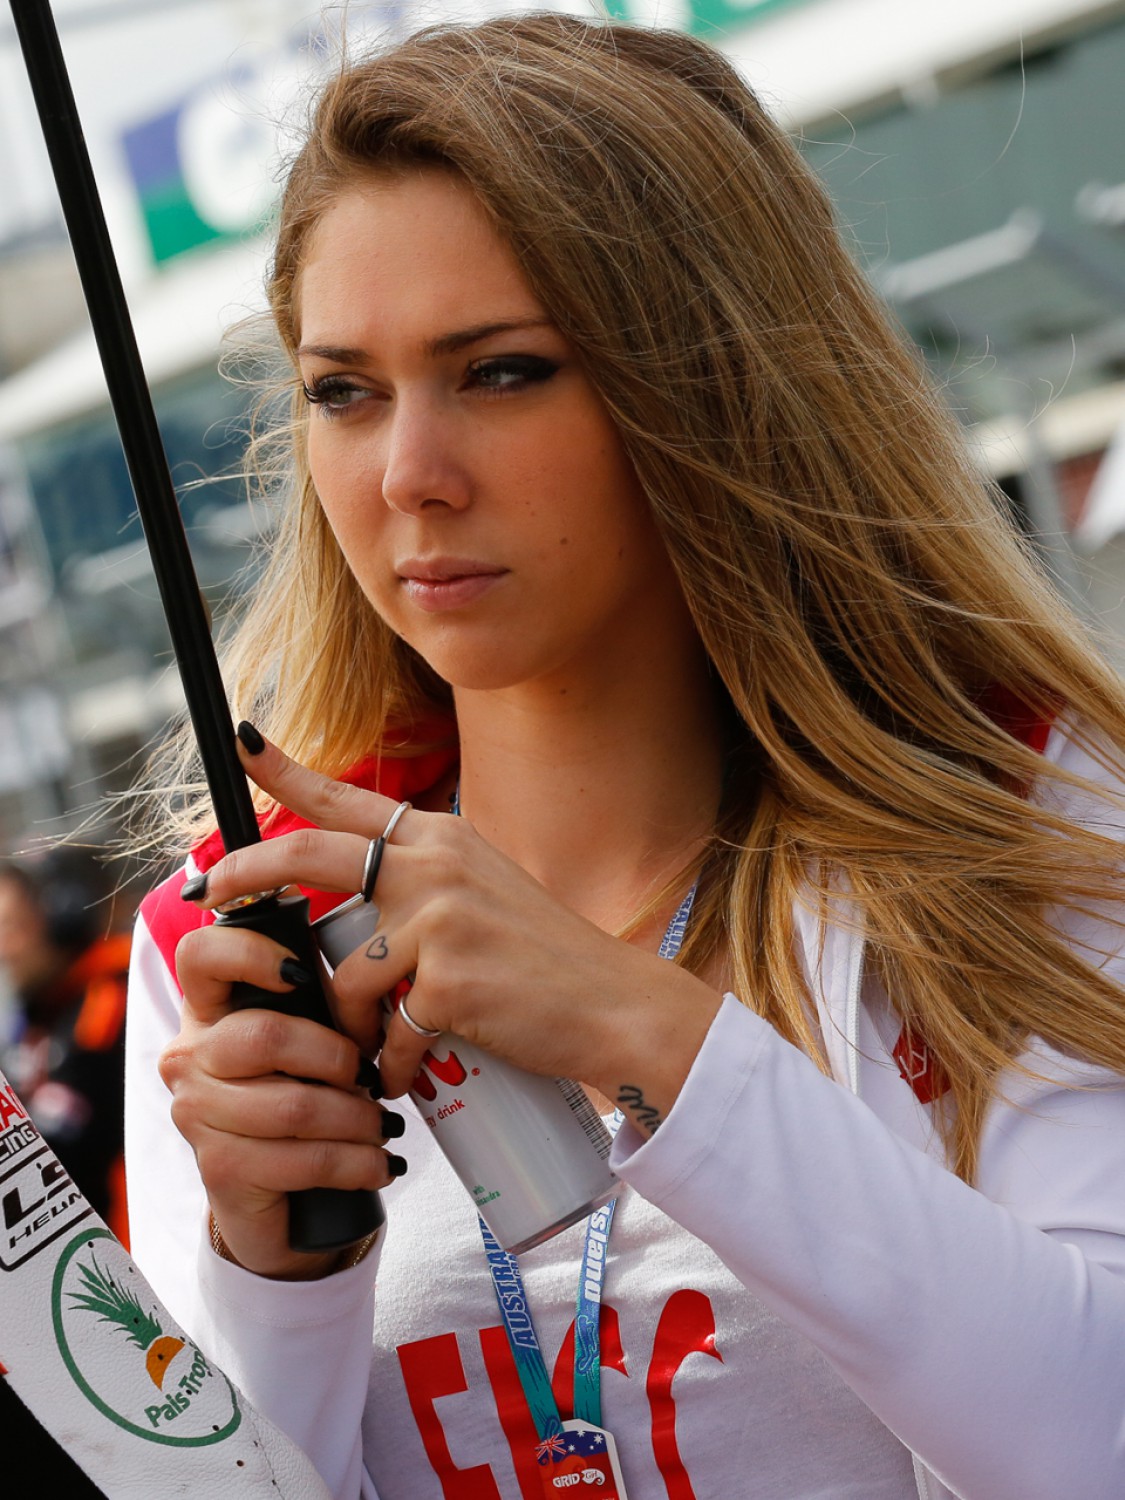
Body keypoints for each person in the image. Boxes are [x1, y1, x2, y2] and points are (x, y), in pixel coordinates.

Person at [124, 14, 1125, 1500]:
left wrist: (650, 1035)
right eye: (344, 389)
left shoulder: (1019, 798)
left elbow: (1091, 1434)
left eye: (505, 371)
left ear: (708, 380)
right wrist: (272, 1278)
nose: (409, 473)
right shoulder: (242, 926)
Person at [0, 847, 130, 1236]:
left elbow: (63, 1144)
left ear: (59, 918)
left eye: (12, 928)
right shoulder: (42, 1012)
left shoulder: (109, 996)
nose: (4, 950)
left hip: (131, 1248)